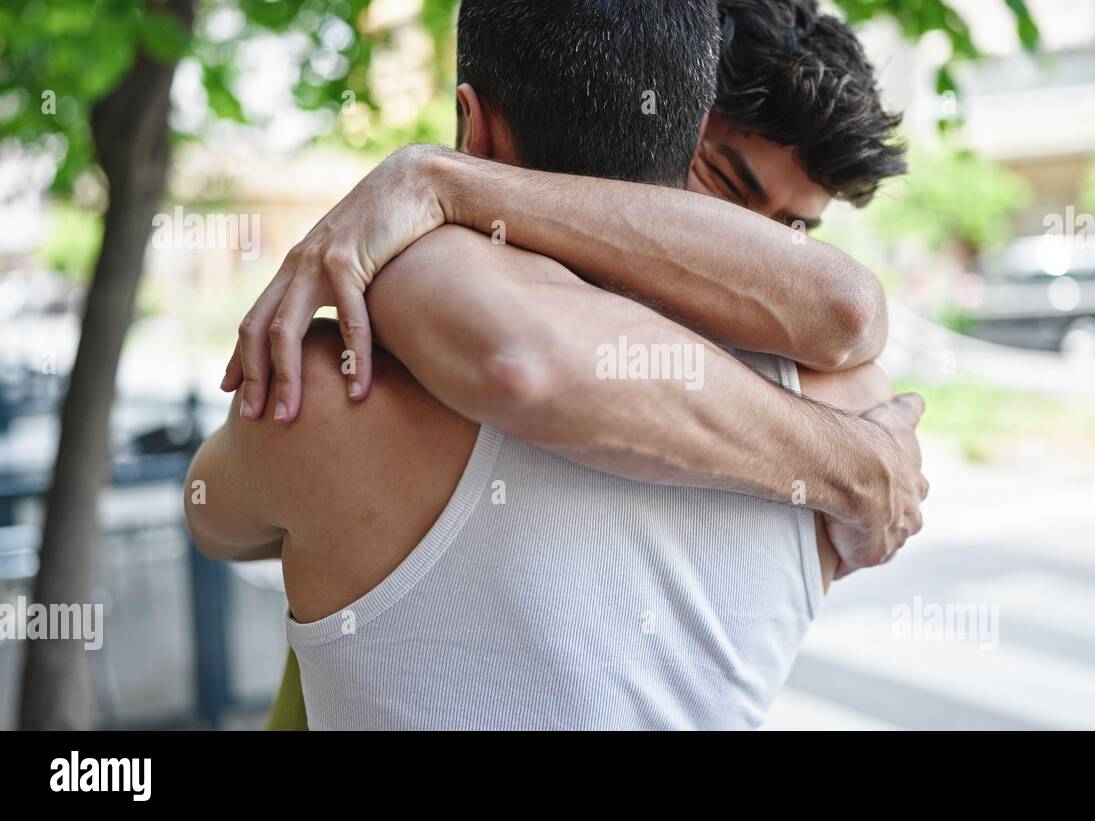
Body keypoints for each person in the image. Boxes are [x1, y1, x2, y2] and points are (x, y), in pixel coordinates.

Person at [187, 0, 926, 729]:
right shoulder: (854, 410)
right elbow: (526, 358)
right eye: (729, 189)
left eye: (795, 233)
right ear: (675, 129)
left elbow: (213, 512)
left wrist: (437, 178)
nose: (752, 257)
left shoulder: (357, 361)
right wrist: (848, 464)